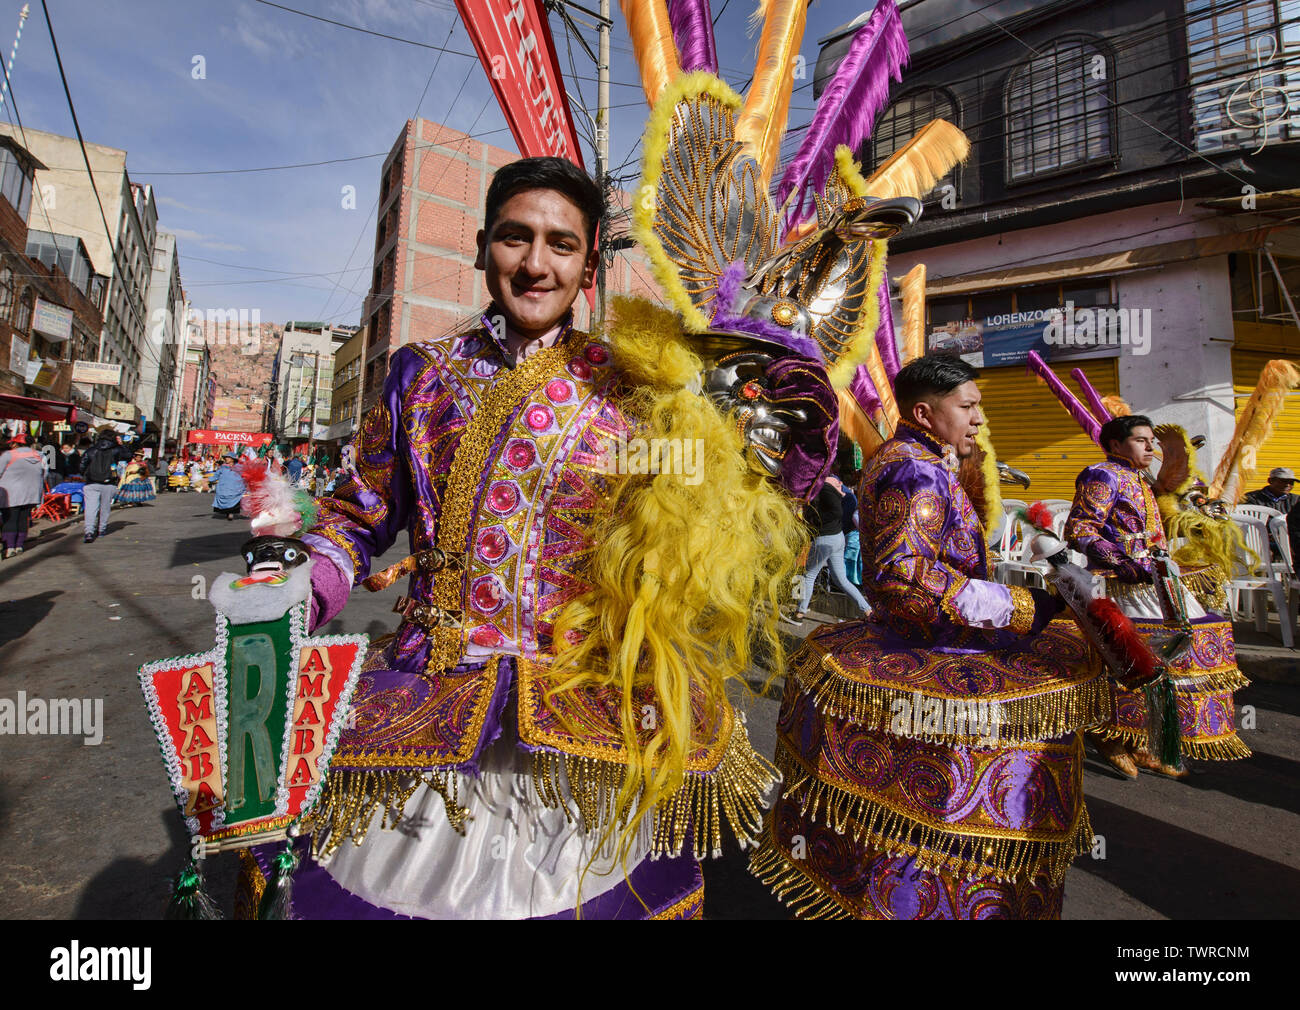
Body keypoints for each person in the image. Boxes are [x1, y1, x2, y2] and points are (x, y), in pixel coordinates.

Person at [230, 145, 845, 920]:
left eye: (562, 244)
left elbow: (736, 498)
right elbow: (358, 514)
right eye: (516, 237)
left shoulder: (635, 387)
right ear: (485, 247)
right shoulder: (420, 374)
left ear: (589, 268)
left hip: (579, 711)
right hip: (432, 692)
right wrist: (297, 586)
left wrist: (772, 380)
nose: (534, 264)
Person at [751, 354, 1110, 919]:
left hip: (925, 640)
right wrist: (1022, 606)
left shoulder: (912, 458)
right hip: (934, 650)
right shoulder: (916, 470)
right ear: (925, 410)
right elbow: (903, 577)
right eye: (968, 407)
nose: (978, 420)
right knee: (951, 815)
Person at [1065, 414, 1251, 778]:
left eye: (1153, 441)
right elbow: (1080, 527)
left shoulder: (1144, 479)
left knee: (1178, 657)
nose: (1151, 447)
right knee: (1137, 662)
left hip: (1158, 579)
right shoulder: (1102, 474)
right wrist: (1120, 562)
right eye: (1141, 440)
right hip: (1124, 584)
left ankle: (1147, 738)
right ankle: (1114, 736)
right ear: (1116, 445)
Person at [793, 472, 870, 620]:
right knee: (841, 580)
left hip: (825, 539)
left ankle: (799, 613)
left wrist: (816, 522)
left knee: (809, 576)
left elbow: (837, 511)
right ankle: (867, 610)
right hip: (836, 538)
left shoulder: (824, 488)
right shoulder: (826, 488)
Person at [0, 432, 46, 559]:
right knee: (22, 518)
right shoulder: (38, 455)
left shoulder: (9, 455)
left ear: (16, 443)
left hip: (11, 493)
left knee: (10, 519)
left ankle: (10, 547)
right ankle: (19, 545)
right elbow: (44, 474)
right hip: (31, 493)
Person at [79, 428, 127, 543]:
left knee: (90, 508)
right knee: (105, 507)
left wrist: (85, 475)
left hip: (91, 483)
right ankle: (101, 529)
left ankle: (89, 532)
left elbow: (82, 465)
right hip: (109, 483)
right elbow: (128, 456)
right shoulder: (116, 450)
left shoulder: (91, 450)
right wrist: (121, 445)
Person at [211, 455, 245, 519]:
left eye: (228, 457)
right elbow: (216, 475)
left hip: (235, 488)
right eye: (225, 458)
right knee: (224, 497)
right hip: (224, 488)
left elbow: (245, 475)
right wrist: (208, 479)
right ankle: (227, 512)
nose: (226, 459)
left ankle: (231, 513)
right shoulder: (222, 468)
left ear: (232, 459)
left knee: (234, 500)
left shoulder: (239, 467)